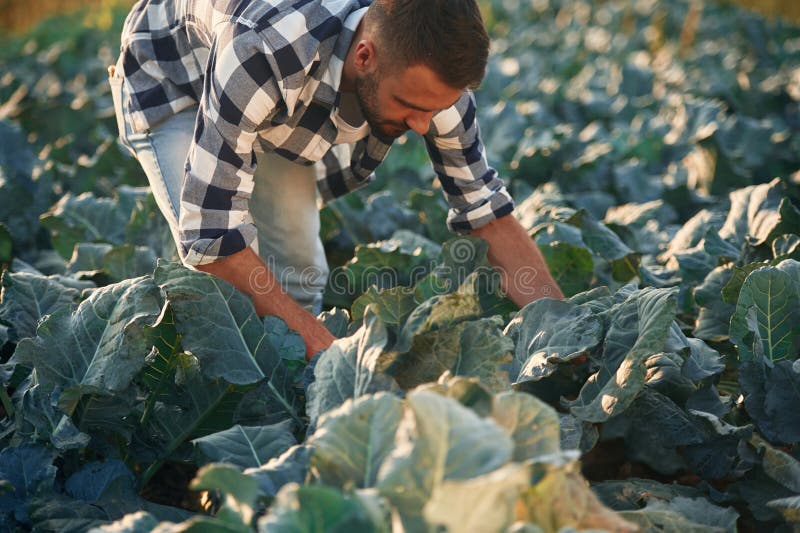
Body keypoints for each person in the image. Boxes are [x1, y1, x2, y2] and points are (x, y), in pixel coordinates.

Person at [109, 0, 563, 360]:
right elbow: (211, 241)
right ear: (365, 56)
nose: (424, 125)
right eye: (410, 105)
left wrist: (562, 328)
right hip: (170, 78)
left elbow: (485, 211)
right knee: (222, 300)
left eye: (434, 109)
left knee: (301, 275)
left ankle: (296, 396)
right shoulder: (261, 52)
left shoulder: (432, 90)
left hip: (276, 99)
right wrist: (329, 351)